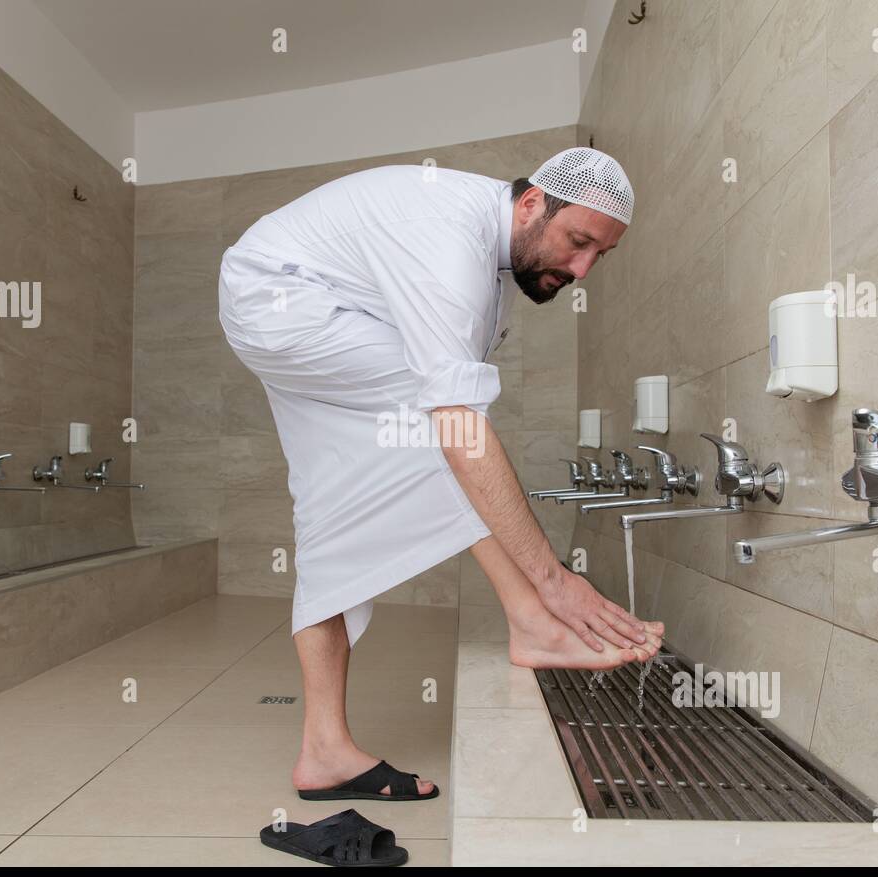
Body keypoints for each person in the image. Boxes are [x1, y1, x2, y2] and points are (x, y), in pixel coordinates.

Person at [218, 147, 665, 800]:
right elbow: (459, 426)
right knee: (443, 420)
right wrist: (554, 582)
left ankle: (324, 750)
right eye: (577, 242)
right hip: (276, 298)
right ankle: (534, 619)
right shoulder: (450, 244)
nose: (582, 269)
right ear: (533, 202)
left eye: (600, 254)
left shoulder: (493, 266)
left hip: (308, 307)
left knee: (327, 506)